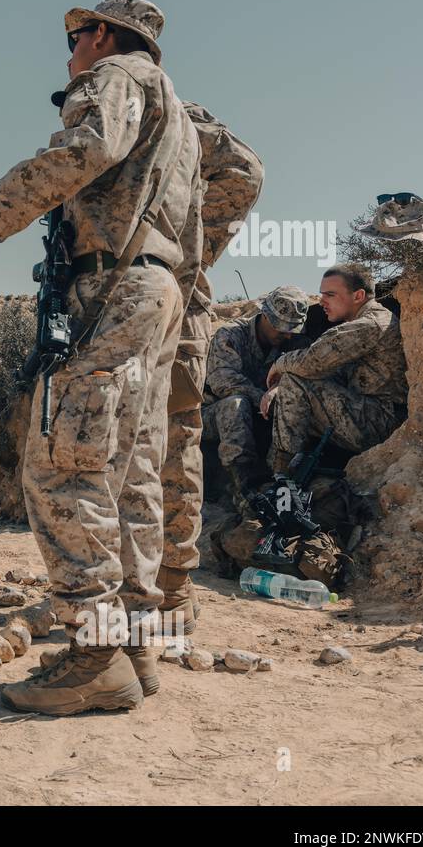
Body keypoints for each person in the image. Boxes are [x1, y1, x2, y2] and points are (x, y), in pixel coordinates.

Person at [0, 0, 202, 713]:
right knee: (130, 469)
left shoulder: (118, 74)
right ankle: (136, 644)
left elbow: (86, 150)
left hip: (113, 282)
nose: (70, 54)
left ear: (107, 36)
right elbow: (218, 206)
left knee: (61, 457)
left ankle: (94, 653)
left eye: (76, 38)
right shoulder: (182, 119)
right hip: (159, 288)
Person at [155, 104, 264, 635]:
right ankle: (128, 588)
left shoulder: (161, 112)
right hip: (107, 321)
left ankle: (172, 587)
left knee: (174, 444)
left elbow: (244, 168)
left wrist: (191, 252)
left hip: (173, 319)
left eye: (80, 37)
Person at [264, 262, 408, 470]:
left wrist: (279, 364)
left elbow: (311, 362)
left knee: (293, 381)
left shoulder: (370, 323)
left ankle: (280, 475)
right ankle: (294, 471)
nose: (321, 301)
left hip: (380, 421)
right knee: (292, 389)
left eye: (330, 295)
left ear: (358, 296)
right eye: (322, 294)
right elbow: (327, 370)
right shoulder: (364, 322)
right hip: (367, 415)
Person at [204, 285, 311, 504]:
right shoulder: (230, 335)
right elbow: (222, 382)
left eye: (292, 328)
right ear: (264, 316)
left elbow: (303, 378)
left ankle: (277, 481)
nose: (287, 334)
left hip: (260, 417)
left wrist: (278, 391)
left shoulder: (293, 342)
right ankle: (244, 489)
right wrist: (262, 397)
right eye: (281, 328)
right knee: (235, 404)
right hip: (215, 415)